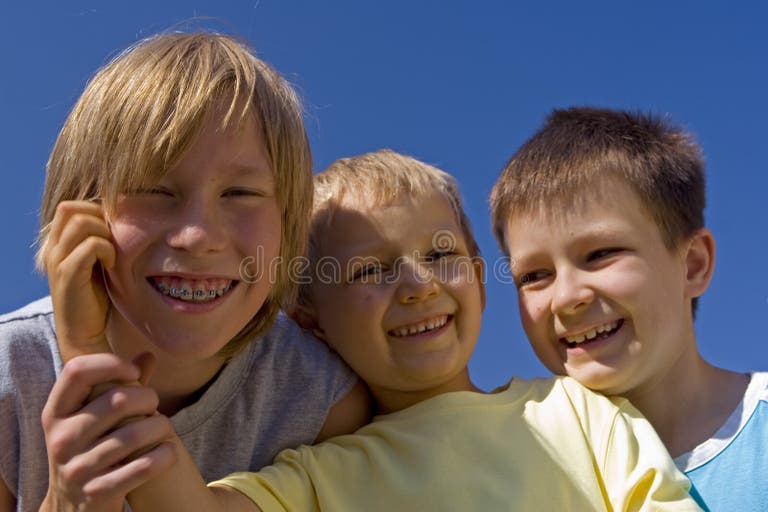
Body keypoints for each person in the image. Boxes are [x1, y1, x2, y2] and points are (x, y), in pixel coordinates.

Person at [83, 149, 700, 511]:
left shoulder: (583, 413)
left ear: (481, 279)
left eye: (440, 257)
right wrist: (88, 352)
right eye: (371, 269)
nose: (418, 286)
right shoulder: (318, 477)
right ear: (310, 319)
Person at [0, 31, 369, 512]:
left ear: (290, 225)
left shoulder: (323, 399)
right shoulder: (11, 377)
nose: (197, 236)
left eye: (240, 194)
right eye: (154, 190)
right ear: (80, 210)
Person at [490, 106, 767, 510]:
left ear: (692, 265)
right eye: (533, 276)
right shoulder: (514, 474)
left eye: (601, 253)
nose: (566, 297)